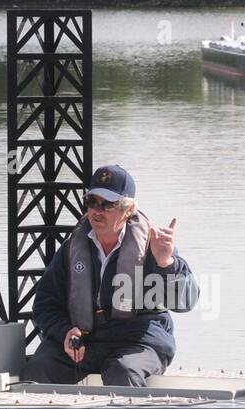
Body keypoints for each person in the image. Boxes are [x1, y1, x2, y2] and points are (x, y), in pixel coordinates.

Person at [22, 164, 199, 387]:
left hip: (139, 342)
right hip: (86, 342)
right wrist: (64, 331)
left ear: (129, 209)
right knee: (37, 370)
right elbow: (45, 305)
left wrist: (166, 263)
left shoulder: (154, 247)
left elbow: (187, 302)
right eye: (92, 202)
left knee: (123, 372)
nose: (97, 211)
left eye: (108, 204)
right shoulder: (71, 249)